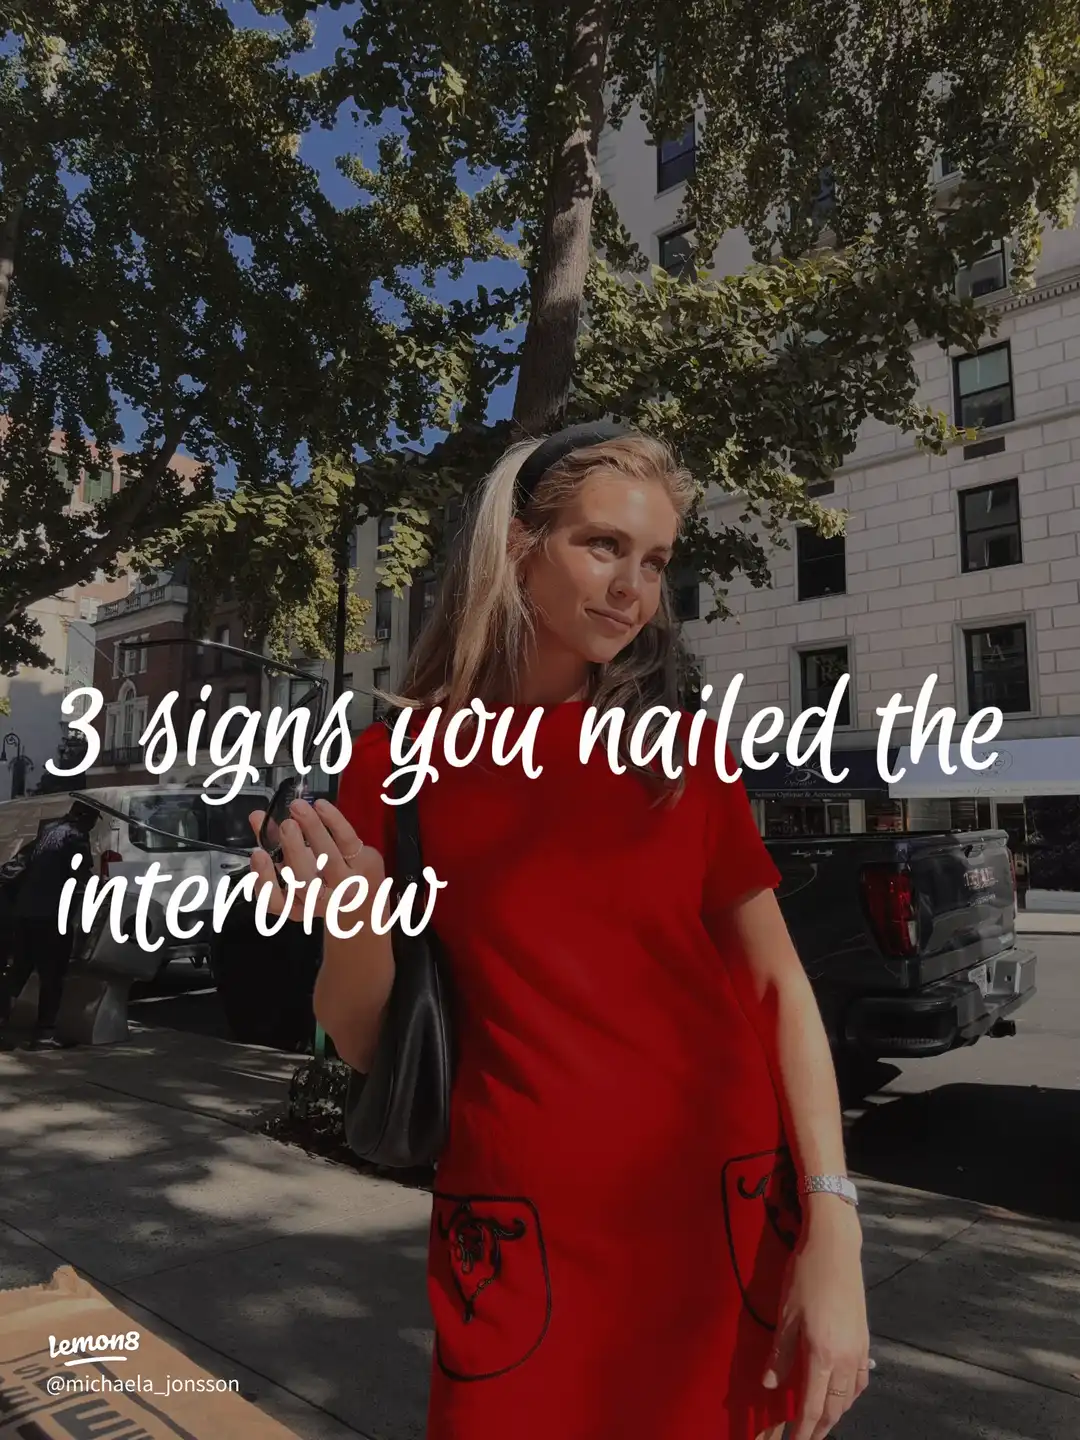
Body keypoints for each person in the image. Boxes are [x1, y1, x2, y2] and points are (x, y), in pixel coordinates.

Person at [249, 425, 871, 1440]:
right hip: (517, 1241)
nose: (633, 586)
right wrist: (355, 925)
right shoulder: (395, 760)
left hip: (724, 1225)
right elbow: (360, 1042)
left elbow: (775, 990)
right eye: (602, 546)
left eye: (656, 560)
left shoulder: (681, 751)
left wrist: (835, 1227)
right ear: (516, 546)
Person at [0, 800, 96, 1048]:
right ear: (85, 819)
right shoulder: (76, 837)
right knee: (52, 976)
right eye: (93, 821)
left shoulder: (49, 831)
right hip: (52, 916)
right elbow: (81, 877)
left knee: (18, 972)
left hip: (24, 914)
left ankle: (2, 1023)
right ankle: (45, 1033)